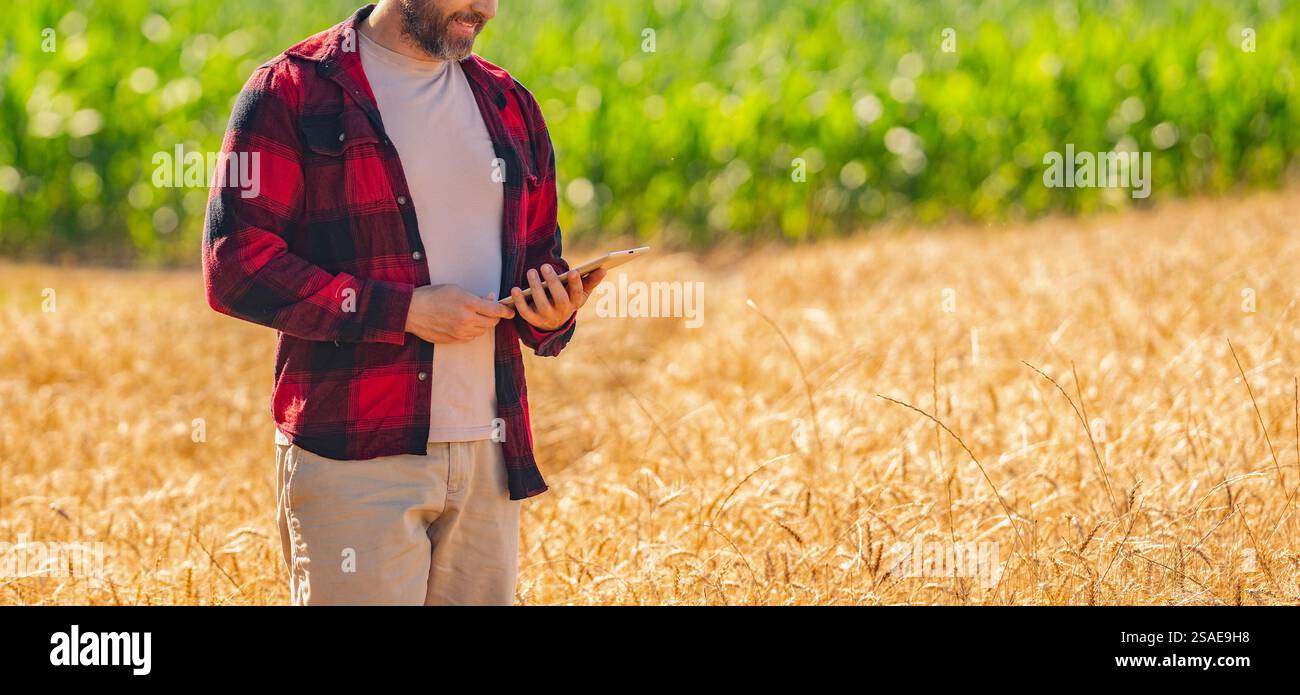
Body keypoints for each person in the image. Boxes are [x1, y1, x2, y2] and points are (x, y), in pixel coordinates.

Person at [202, 0, 605, 605]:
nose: (487, 9)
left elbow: (537, 259)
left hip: (489, 456)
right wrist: (406, 310)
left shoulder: (509, 103)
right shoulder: (292, 91)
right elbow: (237, 265)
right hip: (354, 458)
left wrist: (550, 314)